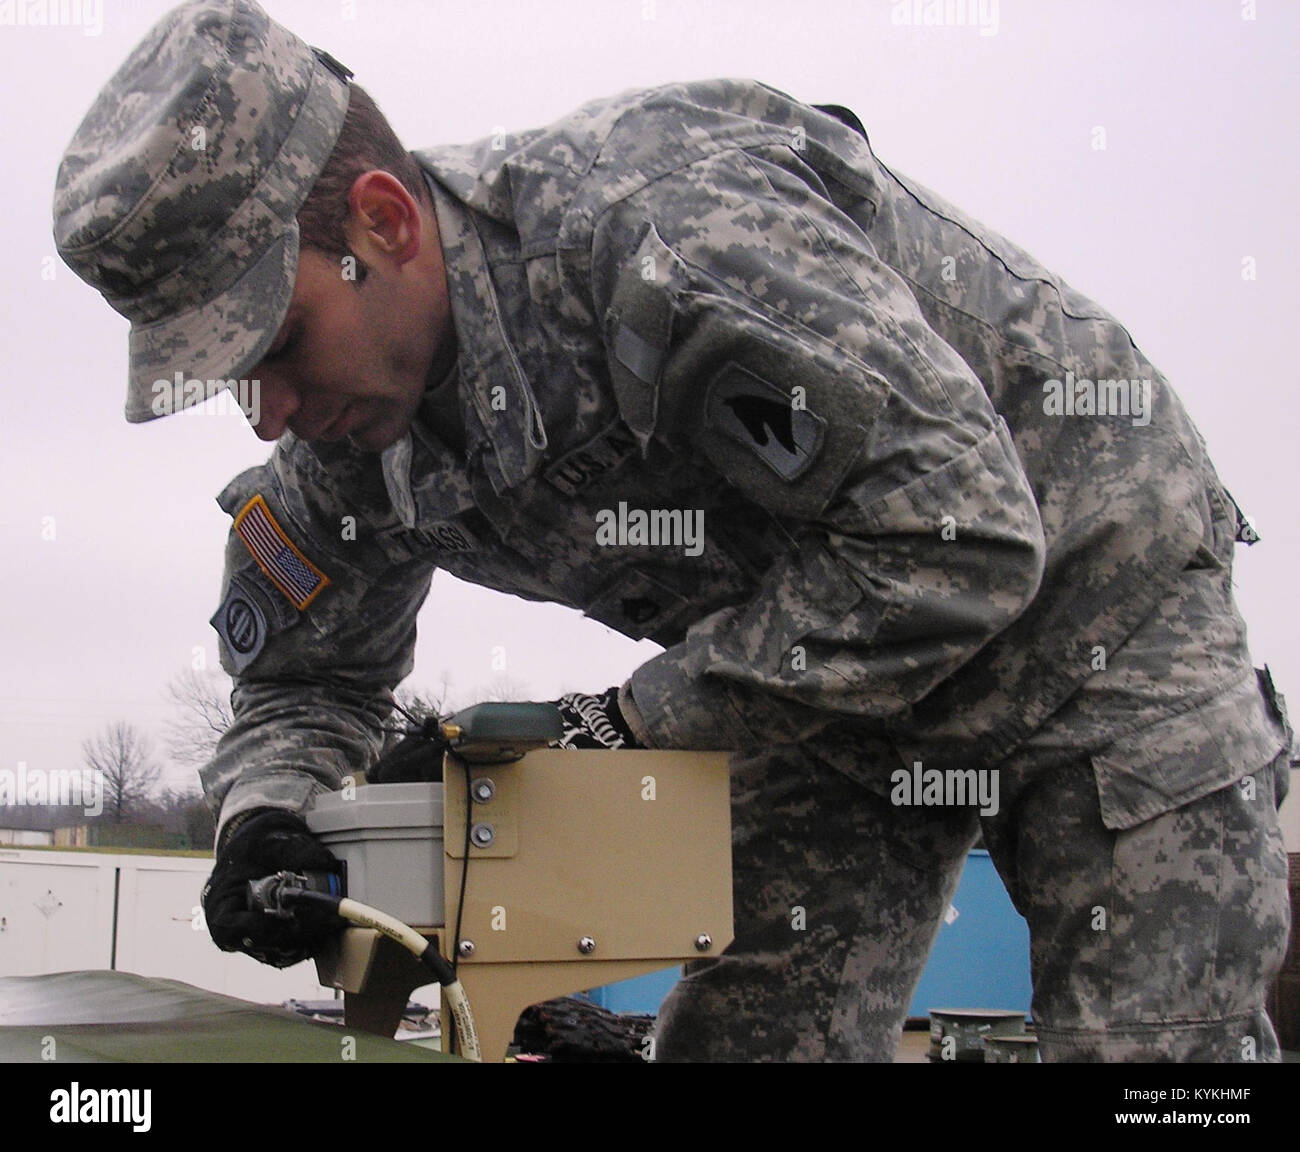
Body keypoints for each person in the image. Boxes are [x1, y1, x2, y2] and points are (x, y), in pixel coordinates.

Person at [54, 0, 1292, 1062]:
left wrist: (619, 728)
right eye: (227, 374)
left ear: (383, 223)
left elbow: (954, 537)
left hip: (1093, 611)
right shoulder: (334, 452)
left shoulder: (662, 235)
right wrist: (267, 813)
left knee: (1160, 1063)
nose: (264, 406)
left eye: (273, 343)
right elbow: (299, 681)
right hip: (824, 685)